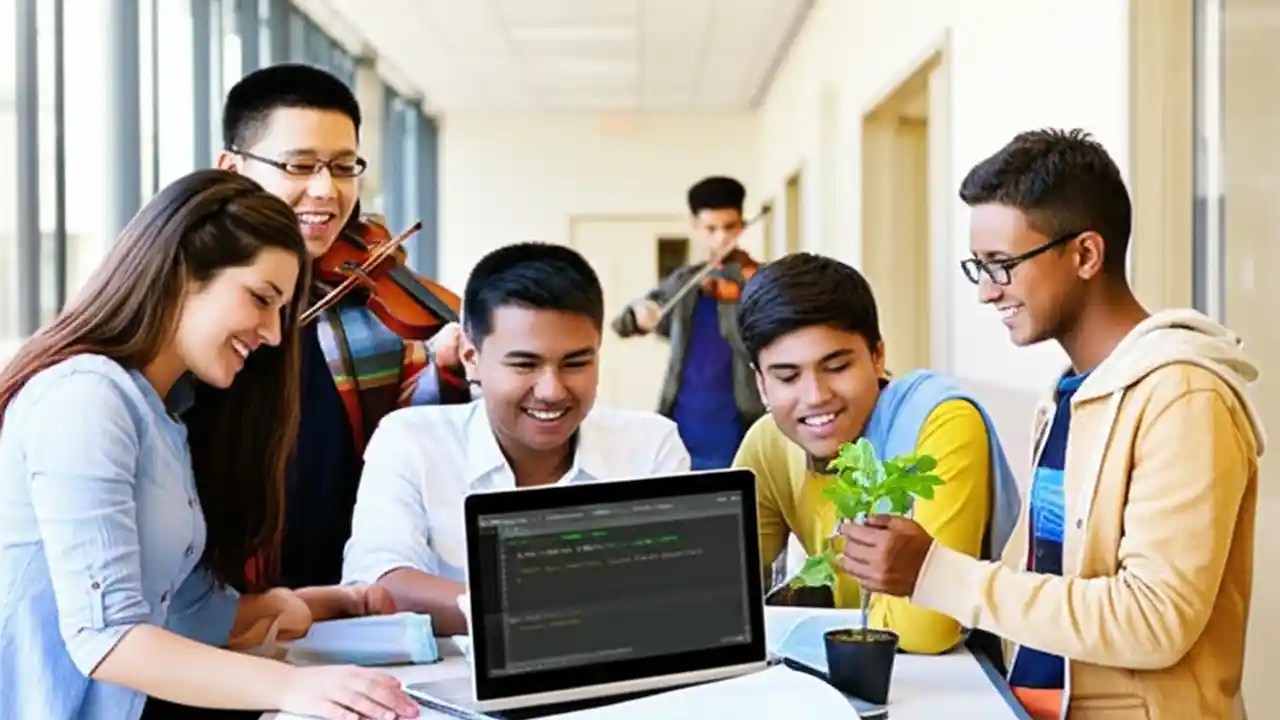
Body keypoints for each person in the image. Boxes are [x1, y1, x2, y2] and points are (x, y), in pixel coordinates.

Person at [838, 128, 1265, 719]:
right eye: (978, 267)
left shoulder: (1183, 396)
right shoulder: (1071, 393)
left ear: (1086, 255)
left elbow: (1154, 620)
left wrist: (937, 573)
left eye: (1002, 265)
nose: (988, 292)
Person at [0, 169, 418, 720]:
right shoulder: (87, 398)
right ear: (182, 274)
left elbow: (182, 614)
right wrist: (292, 689)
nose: (272, 333)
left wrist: (306, 605)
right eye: (261, 299)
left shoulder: (165, 416)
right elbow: (109, 637)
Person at [342, 242, 691, 635]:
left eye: (576, 363)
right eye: (524, 364)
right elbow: (379, 588)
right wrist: (565, 612)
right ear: (472, 359)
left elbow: (677, 594)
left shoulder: (649, 445)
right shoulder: (410, 441)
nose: (551, 390)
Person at [213, 63, 467, 591]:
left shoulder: (365, 305)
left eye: (344, 166)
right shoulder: (199, 307)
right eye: (299, 165)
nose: (326, 191)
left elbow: (396, 439)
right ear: (232, 170)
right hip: (219, 592)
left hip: (343, 587)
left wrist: (444, 368)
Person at [731, 252, 1020, 655]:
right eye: (787, 376)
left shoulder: (937, 423)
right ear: (761, 385)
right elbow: (721, 594)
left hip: (959, 685)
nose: (815, 397)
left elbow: (926, 628)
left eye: (836, 366)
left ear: (878, 356)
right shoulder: (770, 442)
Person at [611, 175, 765, 470]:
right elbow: (621, 325)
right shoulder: (685, 281)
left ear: (742, 225)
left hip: (739, 420)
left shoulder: (757, 279)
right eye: (711, 228)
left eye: (730, 227)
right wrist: (638, 315)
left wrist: (733, 296)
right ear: (695, 226)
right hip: (682, 417)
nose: (721, 237)